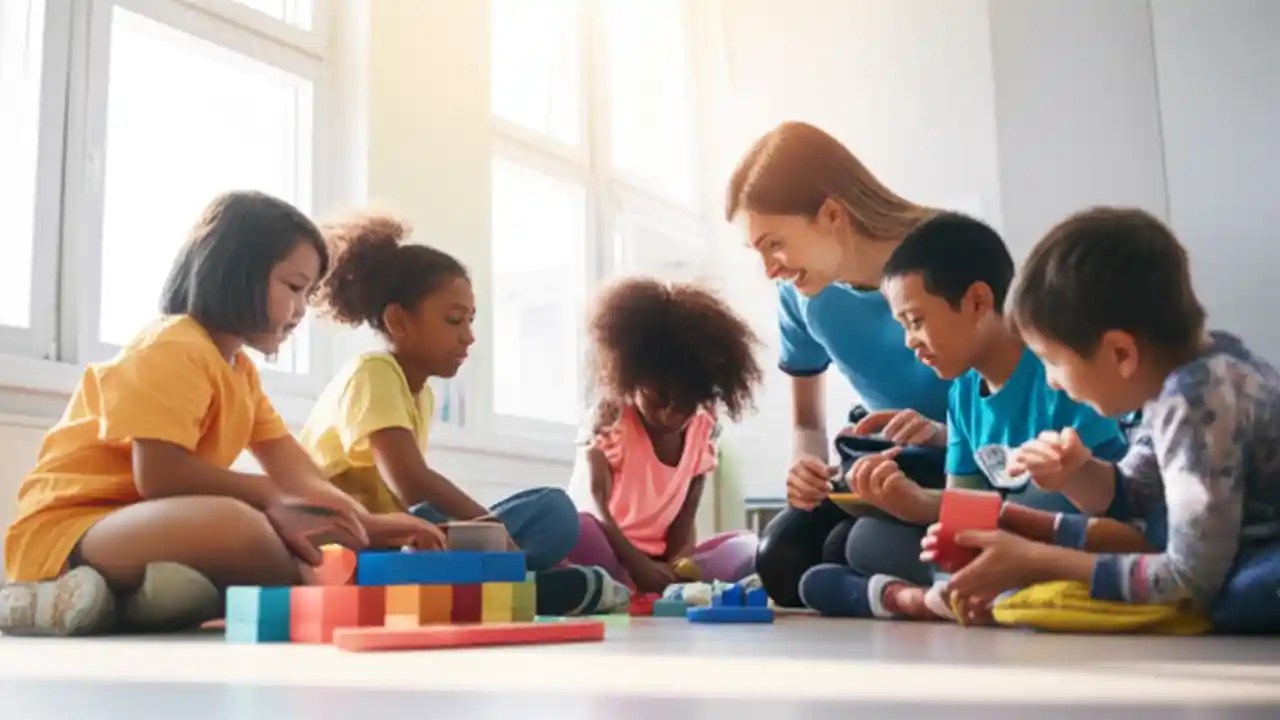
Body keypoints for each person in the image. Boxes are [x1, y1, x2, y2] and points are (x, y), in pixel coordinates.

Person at [0, 191, 436, 638]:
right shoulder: (174, 345)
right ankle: (41, 592)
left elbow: (299, 475)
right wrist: (272, 498)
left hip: (140, 529)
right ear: (237, 276)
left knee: (302, 532)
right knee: (244, 528)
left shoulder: (240, 373)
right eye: (293, 287)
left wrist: (363, 523)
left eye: (308, 292)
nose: (302, 309)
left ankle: (116, 602)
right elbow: (160, 475)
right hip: (71, 532)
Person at [930, 207, 1280, 634]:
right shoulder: (1182, 379)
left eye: (1051, 361)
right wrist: (1071, 478)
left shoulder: (1198, 401)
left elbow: (1190, 581)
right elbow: (1134, 494)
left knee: (1240, 594)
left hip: (1261, 551)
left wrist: (1035, 561)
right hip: (1239, 538)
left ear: (1120, 354)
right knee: (1161, 525)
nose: (1053, 383)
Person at [797, 211, 1132, 620]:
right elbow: (967, 502)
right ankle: (967, 591)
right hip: (998, 532)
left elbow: (1111, 499)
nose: (909, 342)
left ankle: (924, 598)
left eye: (916, 321)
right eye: (903, 324)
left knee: (1041, 497)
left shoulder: (1058, 370)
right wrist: (912, 503)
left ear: (977, 301)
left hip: (1073, 530)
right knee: (865, 540)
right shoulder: (962, 394)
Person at [299, 213, 625, 616]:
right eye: (454, 320)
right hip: (359, 548)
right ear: (397, 320)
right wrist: (492, 527)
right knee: (428, 516)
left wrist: (485, 529)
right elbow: (411, 484)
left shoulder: (421, 394)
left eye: (470, 320)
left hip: (411, 540)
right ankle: (521, 586)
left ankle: (506, 582)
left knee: (553, 511)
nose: (468, 335)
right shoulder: (372, 373)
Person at [726, 120, 953, 606]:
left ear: (830, 214)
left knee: (845, 547)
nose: (770, 270)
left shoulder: (948, 253)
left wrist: (940, 431)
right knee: (781, 563)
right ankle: (883, 574)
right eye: (757, 251)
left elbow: (1014, 393)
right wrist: (805, 470)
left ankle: (887, 574)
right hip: (882, 468)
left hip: (967, 458)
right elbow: (807, 421)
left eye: (774, 244)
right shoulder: (801, 297)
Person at [565, 277, 764, 592]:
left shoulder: (702, 430)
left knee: (748, 546)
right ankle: (621, 582)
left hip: (656, 561)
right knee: (578, 529)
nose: (671, 414)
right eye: (658, 400)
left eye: (685, 404)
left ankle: (633, 586)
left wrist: (679, 566)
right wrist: (636, 563)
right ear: (631, 379)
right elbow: (594, 505)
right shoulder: (611, 422)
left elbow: (684, 521)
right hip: (610, 549)